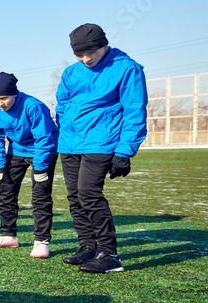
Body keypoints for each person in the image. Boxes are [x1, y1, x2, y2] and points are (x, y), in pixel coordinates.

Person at [55, 23, 147, 274]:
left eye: (91, 53)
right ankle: (87, 246)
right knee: (74, 196)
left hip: (101, 141)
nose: (86, 59)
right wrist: (64, 129)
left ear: (104, 45)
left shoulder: (127, 68)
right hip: (70, 143)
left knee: (88, 193)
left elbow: (134, 111)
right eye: (79, 54)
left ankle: (110, 254)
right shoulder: (71, 73)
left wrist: (124, 151)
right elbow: (62, 105)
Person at [0, 72, 59, 258]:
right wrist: (1, 168)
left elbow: (44, 138)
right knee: (5, 190)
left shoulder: (33, 106)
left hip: (42, 150)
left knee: (40, 195)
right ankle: (8, 235)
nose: (0, 103)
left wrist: (40, 168)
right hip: (16, 150)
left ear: (14, 93)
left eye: (4, 98)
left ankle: (41, 241)